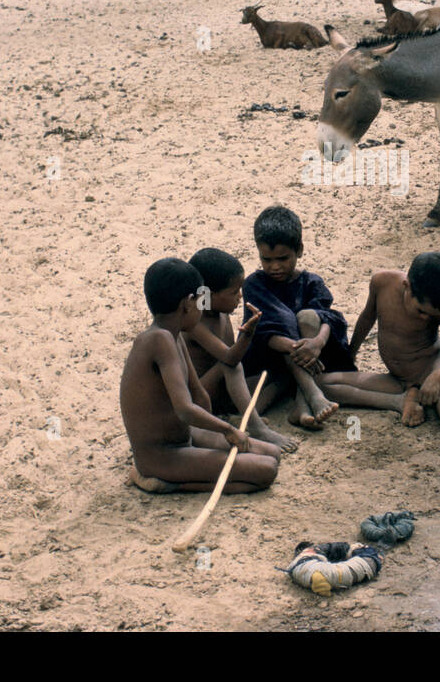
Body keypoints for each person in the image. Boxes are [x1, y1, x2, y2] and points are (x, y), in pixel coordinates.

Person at [120, 257, 280, 494]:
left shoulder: (173, 334)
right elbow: (185, 409)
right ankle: (162, 482)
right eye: (199, 301)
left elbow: (199, 396)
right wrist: (227, 430)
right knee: (266, 470)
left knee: (272, 453)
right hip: (163, 456)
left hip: (187, 438)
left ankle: (185, 473)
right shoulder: (159, 339)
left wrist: (215, 433)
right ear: (187, 304)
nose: (202, 308)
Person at [317, 252, 440, 431]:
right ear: (406, 287)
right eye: (421, 311)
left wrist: (438, 377)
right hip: (397, 380)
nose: (425, 318)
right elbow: (367, 317)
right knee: (322, 384)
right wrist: (351, 353)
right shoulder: (381, 283)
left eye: (431, 315)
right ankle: (402, 400)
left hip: (429, 376)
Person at [241, 206, 354, 430]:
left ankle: (303, 404)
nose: (275, 267)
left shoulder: (311, 283)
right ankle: (311, 394)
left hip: (314, 355)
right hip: (273, 357)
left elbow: (328, 319)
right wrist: (298, 348)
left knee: (308, 317)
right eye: (267, 259)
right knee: (282, 321)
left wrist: (316, 343)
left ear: (299, 250)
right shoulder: (255, 284)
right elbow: (264, 333)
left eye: (283, 258)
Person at [184, 247, 297, 452]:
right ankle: (256, 425)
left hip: (223, 395)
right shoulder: (194, 323)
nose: (240, 297)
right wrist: (247, 335)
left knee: (281, 374)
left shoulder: (221, 314)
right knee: (230, 365)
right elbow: (230, 358)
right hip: (200, 398)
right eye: (234, 292)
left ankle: (239, 418)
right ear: (208, 295)